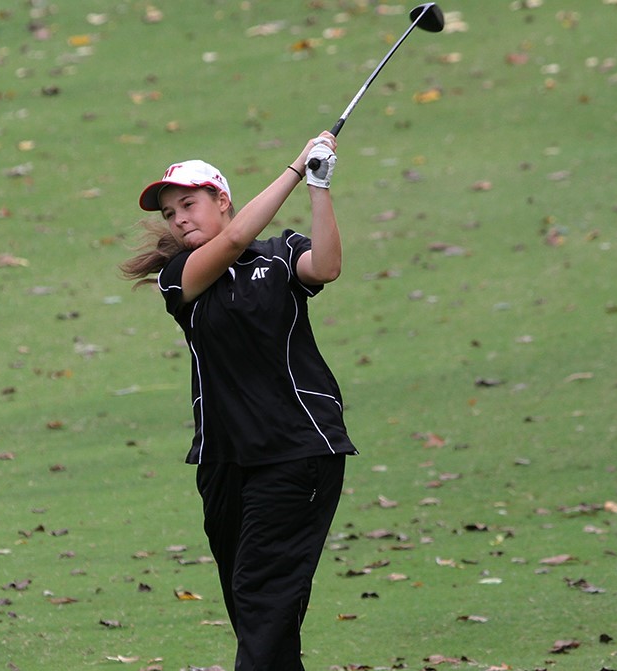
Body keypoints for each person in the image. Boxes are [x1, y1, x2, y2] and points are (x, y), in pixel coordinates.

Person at [120, 132, 358, 670]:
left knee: (262, 599)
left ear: (222, 200)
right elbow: (227, 246)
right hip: (224, 462)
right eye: (170, 212)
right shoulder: (178, 278)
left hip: (297, 449)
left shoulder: (279, 256)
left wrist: (319, 186)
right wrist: (295, 168)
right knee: (254, 610)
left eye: (189, 204)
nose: (178, 218)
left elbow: (326, 267)